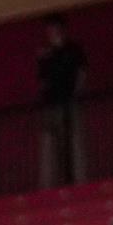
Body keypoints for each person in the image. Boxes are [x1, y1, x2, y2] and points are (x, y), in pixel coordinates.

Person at [37, 14, 86, 187]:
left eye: (55, 29)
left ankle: (79, 180)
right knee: (51, 143)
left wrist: (76, 94)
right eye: (50, 30)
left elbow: (81, 74)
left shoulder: (73, 50)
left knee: (74, 140)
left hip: (70, 101)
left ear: (62, 30)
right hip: (51, 103)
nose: (52, 33)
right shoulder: (45, 53)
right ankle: (50, 184)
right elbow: (42, 80)